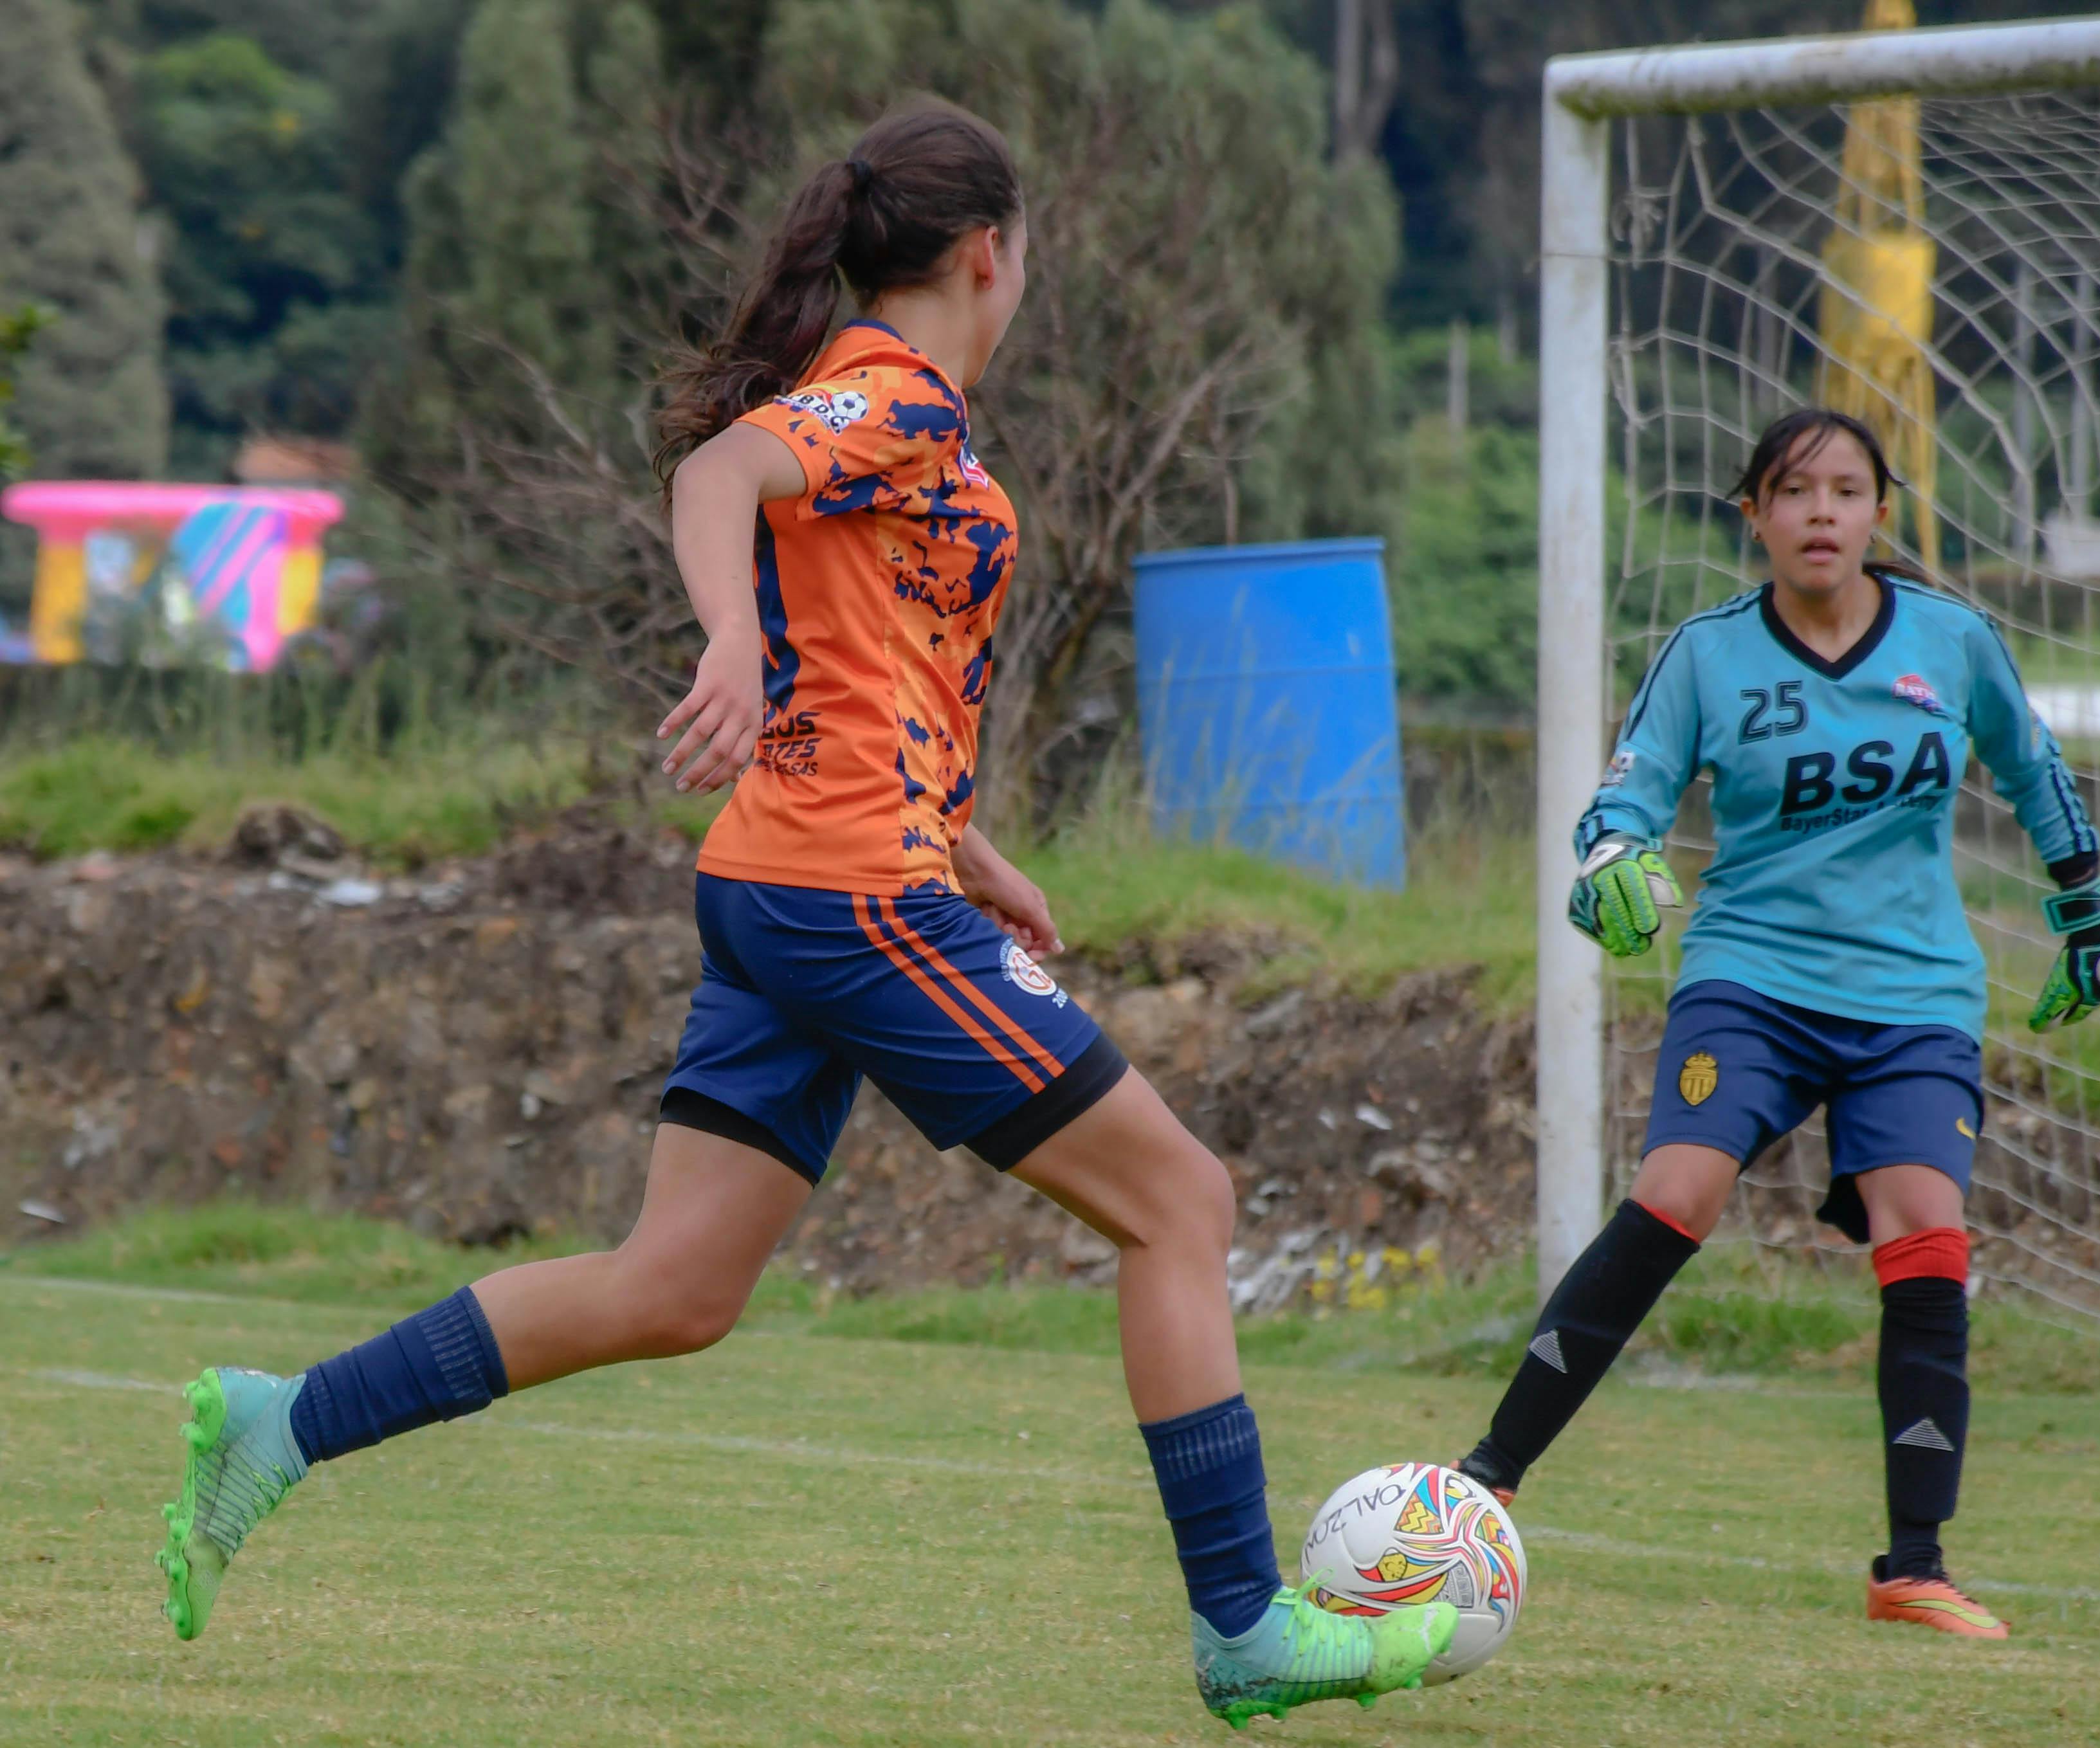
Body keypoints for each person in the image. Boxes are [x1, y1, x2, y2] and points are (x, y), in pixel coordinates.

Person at [154, 100, 1453, 1727]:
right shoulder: (891, 396)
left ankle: (284, 1421)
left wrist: (962, 838)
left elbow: (876, 646)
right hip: (845, 897)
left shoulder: (910, 414)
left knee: (673, 1290)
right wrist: (726, 647)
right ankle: (1247, 1631)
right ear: (994, 253)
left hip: (803, 877)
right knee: (1181, 1206)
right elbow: (720, 474)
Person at [1456, 408, 2100, 1639]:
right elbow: (1628, 795)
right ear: (1754, 515)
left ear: (1882, 511)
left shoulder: (1953, 640)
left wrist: (2087, 912)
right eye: (1792, 490)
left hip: (1914, 996)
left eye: (1845, 489)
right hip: (1751, 980)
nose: (1820, 511)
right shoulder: (1708, 654)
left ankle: (1911, 1566)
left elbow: (2033, 770)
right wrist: (1611, 856)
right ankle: (1482, 1479)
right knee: (1680, 1187)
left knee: (1925, 1224)